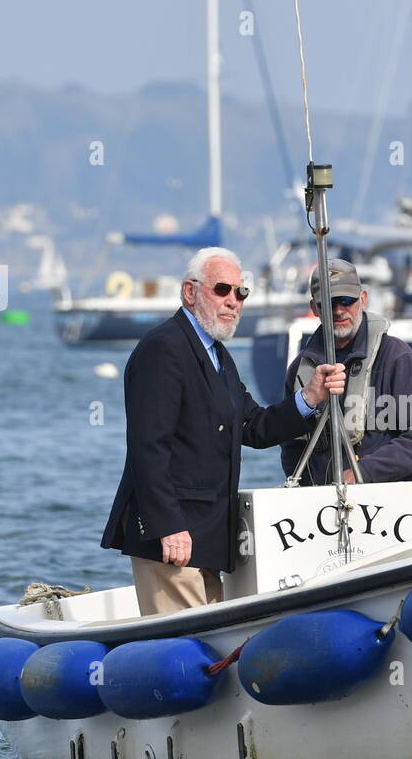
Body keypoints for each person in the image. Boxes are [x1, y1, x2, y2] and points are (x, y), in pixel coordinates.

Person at [101, 246, 345, 615]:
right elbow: (148, 447)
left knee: (207, 643)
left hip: (209, 540)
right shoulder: (163, 349)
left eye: (240, 292)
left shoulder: (218, 356)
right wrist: (169, 526)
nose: (233, 301)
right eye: (222, 290)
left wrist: (309, 397)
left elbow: (254, 426)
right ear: (190, 291)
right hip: (173, 540)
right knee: (183, 651)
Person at [280, 258, 412, 486]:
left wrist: (361, 472)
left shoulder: (396, 356)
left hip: (390, 504)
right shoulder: (299, 371)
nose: (339, 310)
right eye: (329, 303)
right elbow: (290, 448)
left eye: (346, 300)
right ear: (315, 308)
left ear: (362, 299)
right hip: (321, 506)